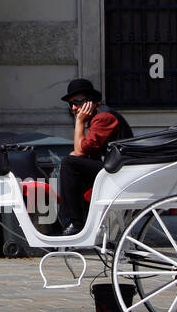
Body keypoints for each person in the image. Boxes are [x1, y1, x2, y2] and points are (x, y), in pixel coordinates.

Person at [56, 78, 133, 236]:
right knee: (71, 164)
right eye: (70, 104)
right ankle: (77, 220)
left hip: (117, 173)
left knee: (69, 163)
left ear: (90, 102)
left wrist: (79, 122)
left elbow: (80, 150)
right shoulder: (97, 118)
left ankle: (76, 223)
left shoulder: (103, 118)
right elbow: (79, 151)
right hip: (112, 169)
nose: (73, 107)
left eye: (77, 102)